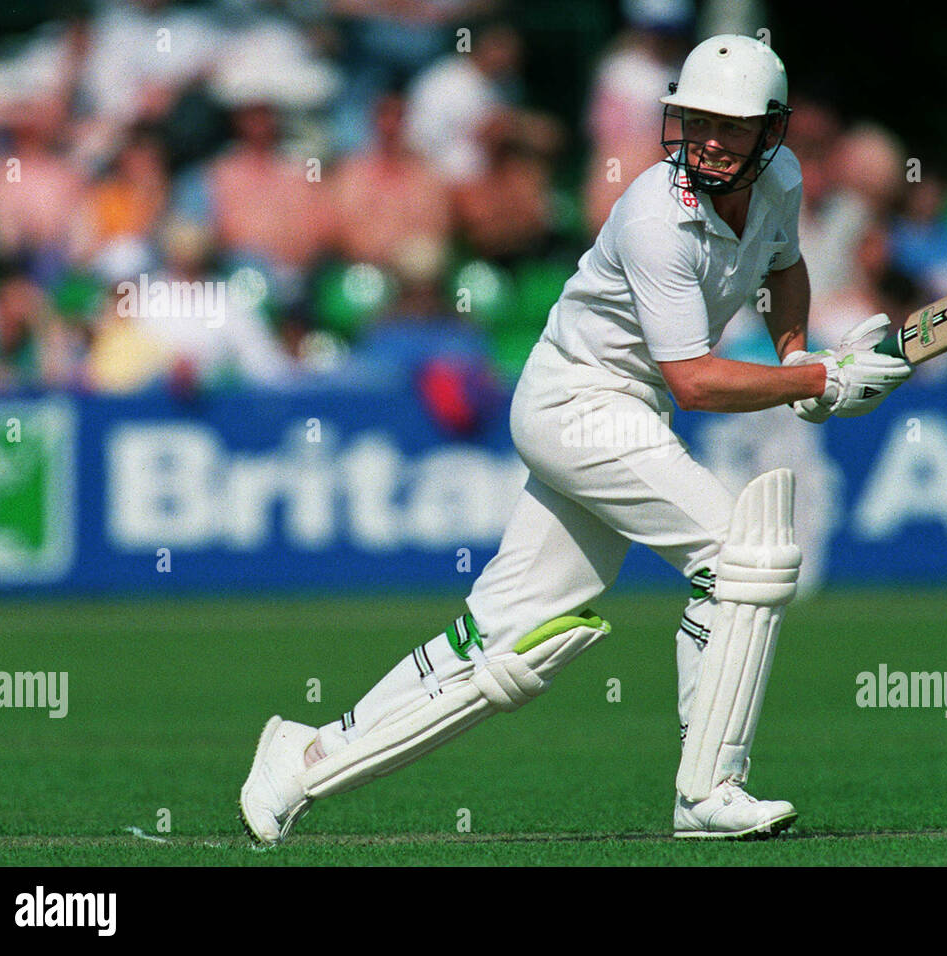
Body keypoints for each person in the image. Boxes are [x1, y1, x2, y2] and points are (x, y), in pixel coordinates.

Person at [239, 35, 912, 844]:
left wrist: (798, 353)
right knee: (743, 559)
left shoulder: (783, 182)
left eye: (730, 127)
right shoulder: (658, 217)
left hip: (623, 409)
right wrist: (819, 381)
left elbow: (784, 265)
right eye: (697, 121)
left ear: (771, 133)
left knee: (505, 640)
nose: (707, 141)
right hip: (579, 404)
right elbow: (695, 382)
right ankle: (709, 791)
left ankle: (302, 758)